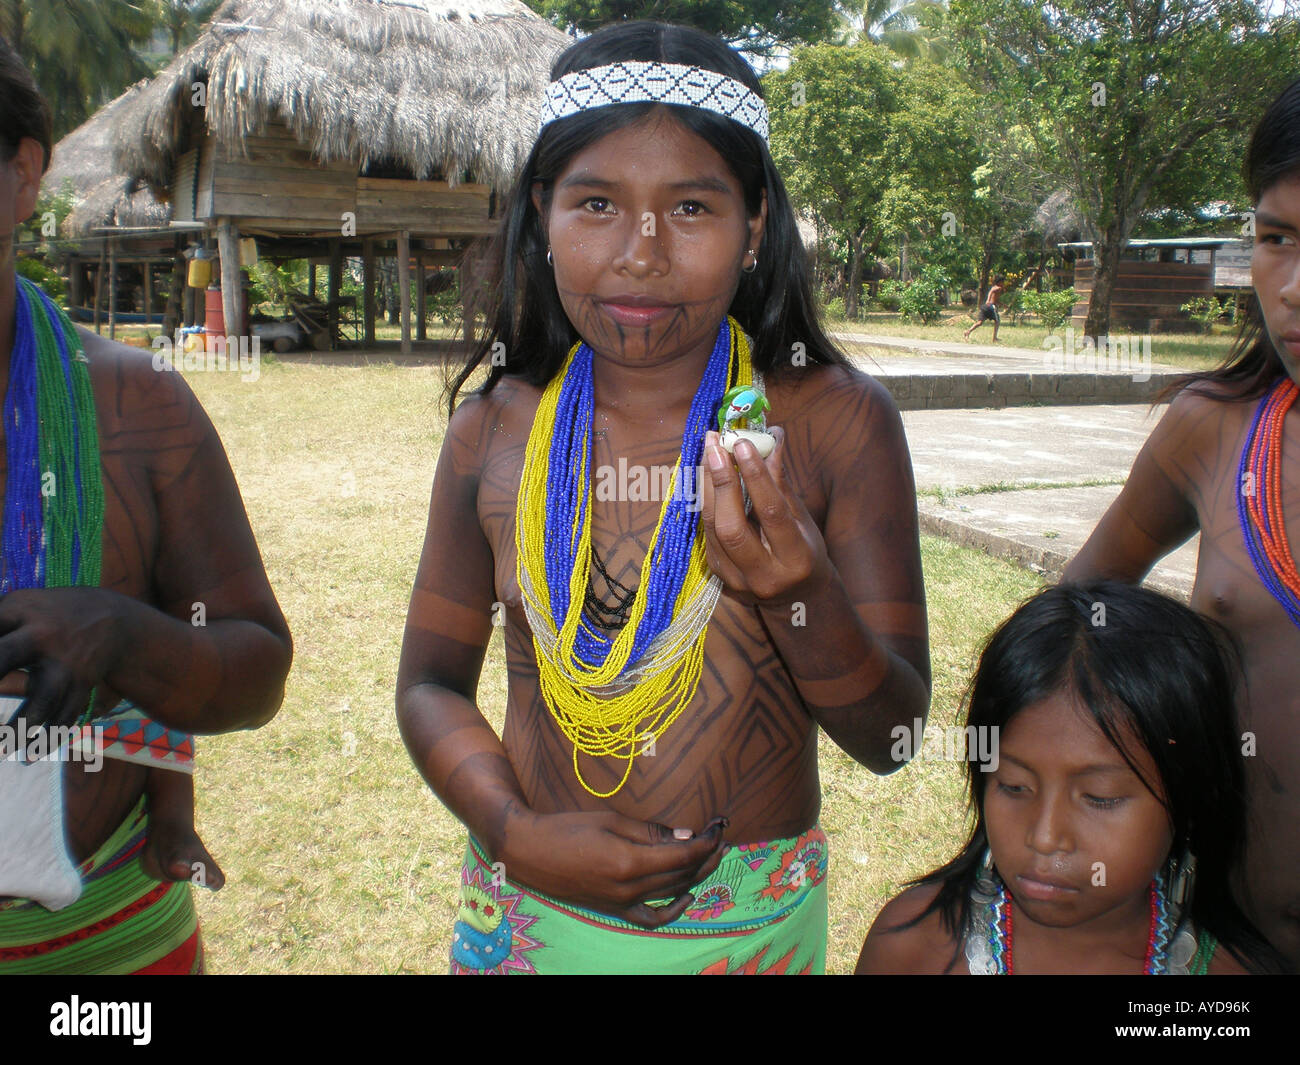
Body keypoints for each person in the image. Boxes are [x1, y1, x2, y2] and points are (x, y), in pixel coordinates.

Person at [397, 20, 931, 974]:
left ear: (756, 224)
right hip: (527, 910)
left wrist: (795, 595)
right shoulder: (493, 433)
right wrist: (514, 830)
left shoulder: (835, 426)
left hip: (749, 935)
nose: (641, 254)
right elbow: (430, 684)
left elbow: (893, 736)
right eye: (596, 203)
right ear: (541, 212)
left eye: (691, 208)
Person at [0, 36, 292, 973]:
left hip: (105, 949)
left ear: (22, 174)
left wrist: (119, 633)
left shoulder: (137, 404)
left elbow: (255, 670)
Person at [1062, 76, 1300, 971]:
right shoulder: (1214, 428)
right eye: (1276, 237)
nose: (1295, 287)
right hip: (1228, 947)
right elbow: (1075, 614)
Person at [857, 582, 1286, 974]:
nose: (1045, 837)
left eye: (1099, 798)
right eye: (1013, 786)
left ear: (1190, 801)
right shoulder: (910, 951)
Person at [963, 275, 1004, 342]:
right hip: (991, 307)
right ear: (1000, 282)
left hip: (985, 306)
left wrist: (1002, 304)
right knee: (997, 321)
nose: (1003, 284)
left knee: (979, 322)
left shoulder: (993, 287)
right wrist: (989, 300)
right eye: (1003, 282)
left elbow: (994, 298)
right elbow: (994, 299)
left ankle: (967, 332)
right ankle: (994, 338)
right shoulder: (998, 288)